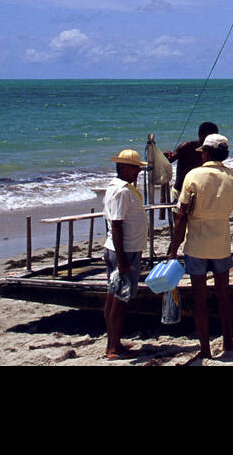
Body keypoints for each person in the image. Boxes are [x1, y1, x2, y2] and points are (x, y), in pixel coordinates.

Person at [167, 133, 233, 359]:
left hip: (196, 245)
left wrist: (173, 249)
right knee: (223, 295)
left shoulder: (193, 176)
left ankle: (206, 350)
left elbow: (181, 216)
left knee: (200, 299)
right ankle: (228, 341)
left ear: (206, 153)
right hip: (221, 244)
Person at [103, 148, 148, 360]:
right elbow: (117, 224)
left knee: (114, 296)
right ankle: (113, 347)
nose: (137, 172)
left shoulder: (120, 188)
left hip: (122, 249)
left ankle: (114, 342)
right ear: (122, 167)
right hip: (124, 251)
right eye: (134, 168)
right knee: (119, 299)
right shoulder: (121, 191)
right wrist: (122, 258)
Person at [173, 121, 218, 195]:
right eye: (208, 137)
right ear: (200, 135)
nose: (211, 141)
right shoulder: (186, 147)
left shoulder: (213, 151)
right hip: (180, 192)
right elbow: (167, 163)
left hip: (200, 193)